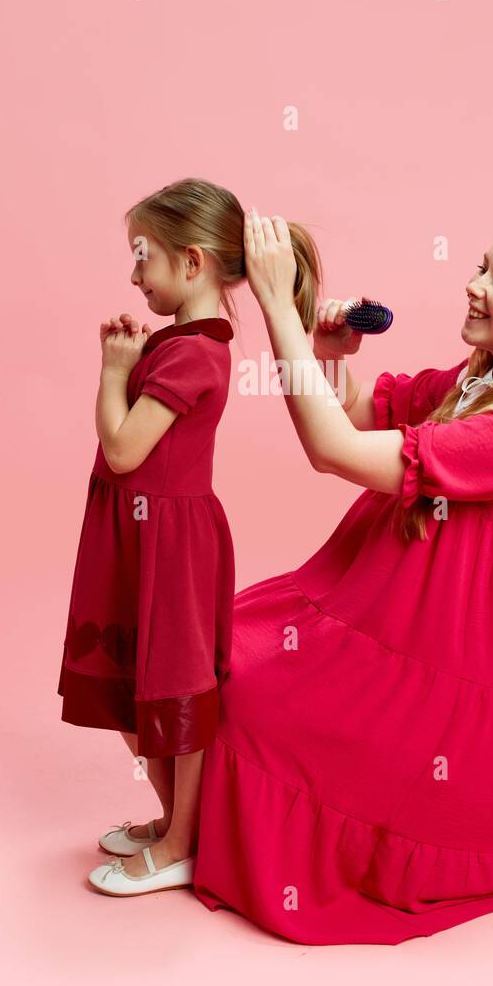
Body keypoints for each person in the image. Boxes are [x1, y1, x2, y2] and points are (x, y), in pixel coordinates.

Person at [191, 210, 493, 944]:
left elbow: (331, 449)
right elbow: (359, 415)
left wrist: (275, 308)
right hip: (395, 639)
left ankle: (187, 844)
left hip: (463, 718)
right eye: (481, 267)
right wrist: (328, 354)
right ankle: (185, 839)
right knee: (214, 649)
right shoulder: (484, 380)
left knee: (239, 685)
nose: (474, 285)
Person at [55, 178, 321, 895]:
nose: (134, 273)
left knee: (175, 689)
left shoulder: (196, 354)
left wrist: (112, 372)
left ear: (194, 263)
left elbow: (123, 451)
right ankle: (179, 820)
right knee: (131, 682)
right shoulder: (179, 342)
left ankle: (180, 845)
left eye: (144, 256)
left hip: (166, 546)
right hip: (135, 537)